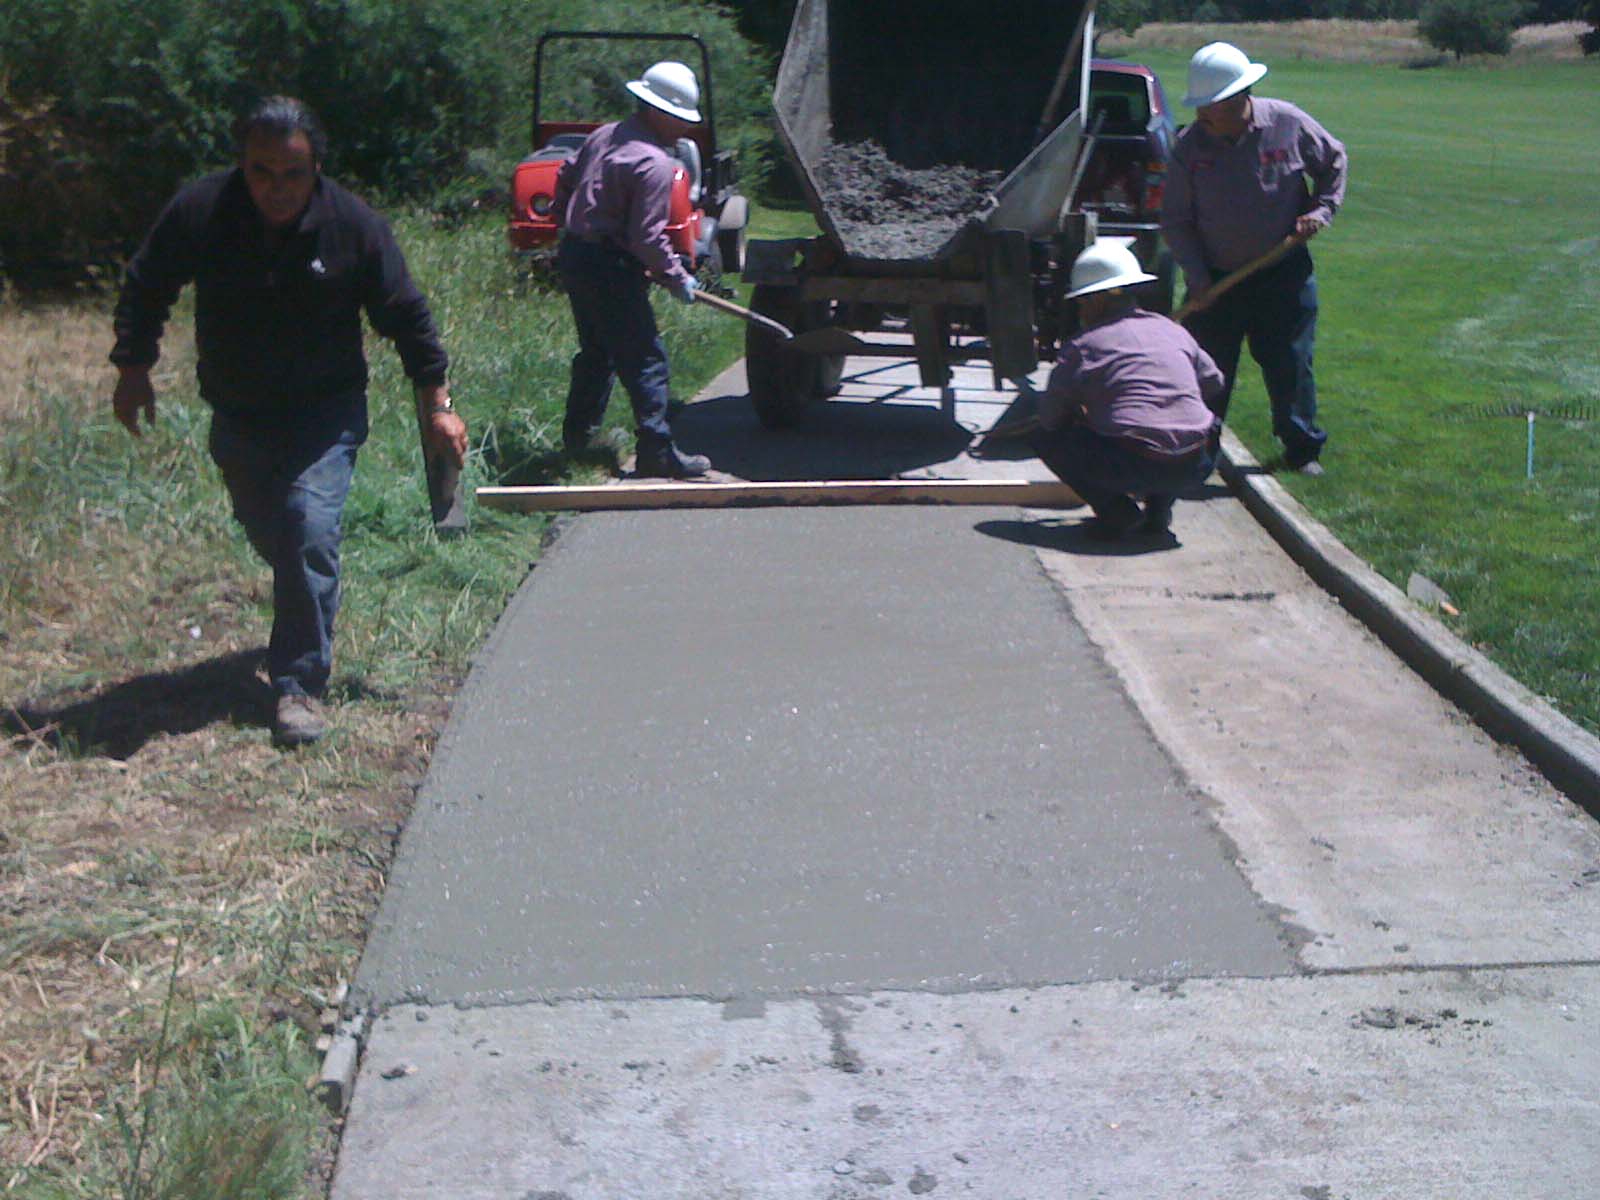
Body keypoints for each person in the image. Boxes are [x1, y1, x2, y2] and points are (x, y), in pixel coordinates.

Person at [109, 95, 468, 747]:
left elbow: (407, 317)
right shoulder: (202, 212)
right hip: (239, 411)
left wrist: (438, 407)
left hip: (325, 412)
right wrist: (133, 367)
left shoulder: (351, 226)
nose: (276, 188)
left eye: (293, 173)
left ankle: (297, 685)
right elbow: (146, 283)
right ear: (242, 166)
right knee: (275, 534)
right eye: (261, 171)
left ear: (317, 168)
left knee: (306, 530)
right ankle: (308, 590)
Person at [1160, 42, 1347, 475]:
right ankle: (1199, 454)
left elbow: (1334, 161)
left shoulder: (1287, 123)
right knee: (1209, 372)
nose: (1204, 115)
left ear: (1241, 96)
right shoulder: (1189, 147)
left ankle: (1301, 450)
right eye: (1201, 107)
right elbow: (1175, 219)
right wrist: (1198, 276)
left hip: (1283, 273)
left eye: (1212, 106)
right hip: (1216, 279)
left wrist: (1320, 211)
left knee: (1290, 363)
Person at [552, 60, 712, 478]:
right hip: (607, 265)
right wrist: (677, 276)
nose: (684, 128)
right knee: (647, 358)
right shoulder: (655, 164)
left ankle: (578, 439)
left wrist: (566, 224)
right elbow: (646, 238)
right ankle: (656, 451)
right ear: (657, 110)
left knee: (597, 350)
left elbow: (565, 177)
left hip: (577, 256)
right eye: (679, 119)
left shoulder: (607, 133)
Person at [1026, 240, 1223, 540]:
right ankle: (1158, 513)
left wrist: (1084, 412)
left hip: (1132, 463)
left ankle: (1116, 511)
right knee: (1186, 430)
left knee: (1044, 437)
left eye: (1081, 302)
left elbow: (1051, 419)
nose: (1080, 310)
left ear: (1095, 302)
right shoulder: (1173, 330)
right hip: (1195, 464)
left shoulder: (1083, 346)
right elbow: (1214, 383)